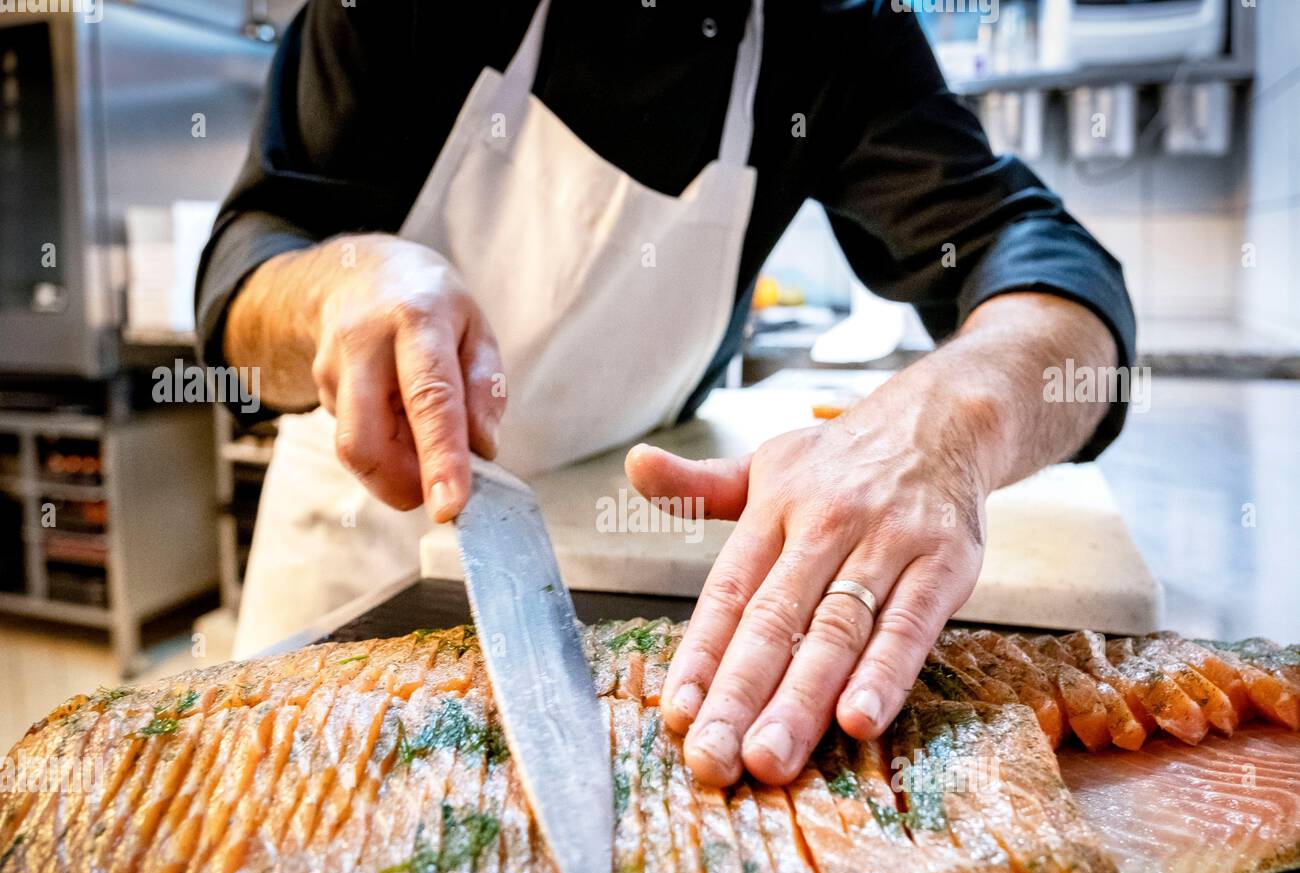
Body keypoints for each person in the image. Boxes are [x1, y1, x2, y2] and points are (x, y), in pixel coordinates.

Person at [197, 0, 1135, 789]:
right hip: (357, 561)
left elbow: (1047, 269)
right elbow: (243, 268)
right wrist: (339, 284)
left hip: (608, 591)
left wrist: (947, 429)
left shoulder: (835, 33)